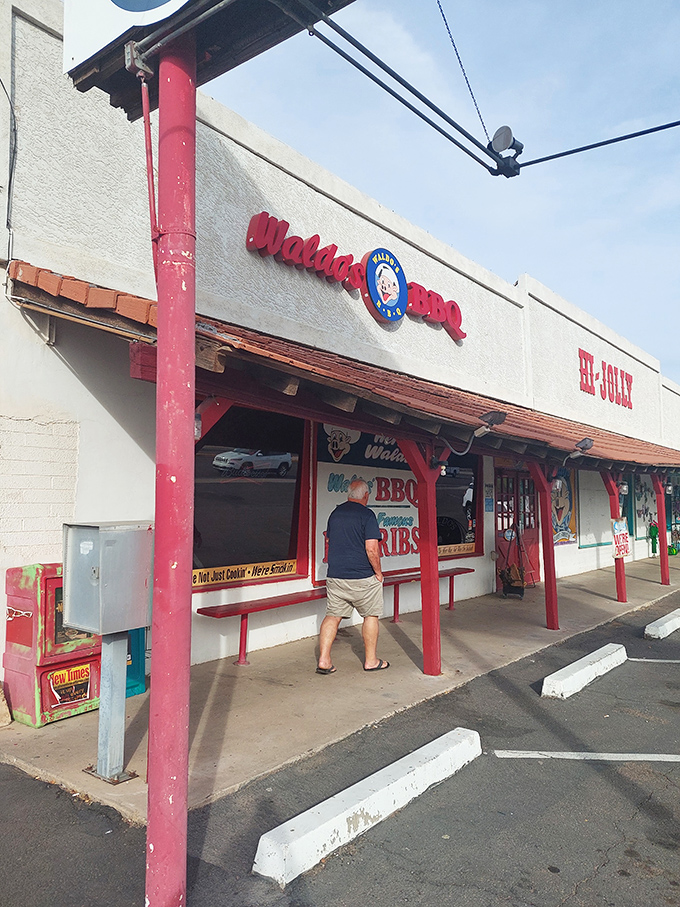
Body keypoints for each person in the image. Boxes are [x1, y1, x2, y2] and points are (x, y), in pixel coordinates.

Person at [317, 478, 390, 674]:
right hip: (363, 577)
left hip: (336, 576)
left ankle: (324, 660)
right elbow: (372, 549)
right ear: (366, 496)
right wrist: (378, 573)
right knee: (370, 616)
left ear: (349, 494)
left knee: (332, 616)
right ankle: (371, 661)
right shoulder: (367, 515)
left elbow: (331, 541)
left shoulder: (335, 513)